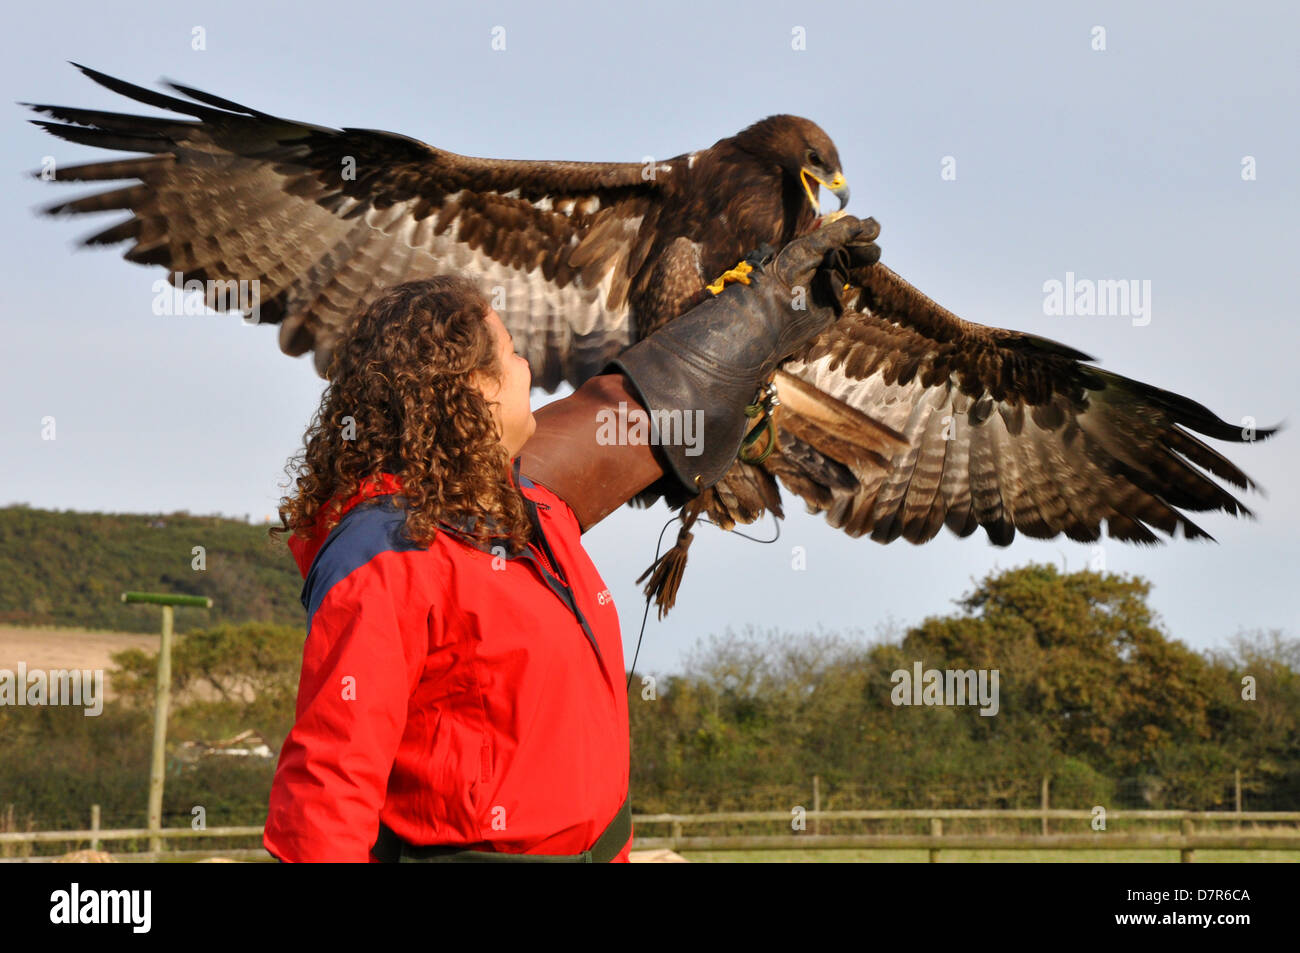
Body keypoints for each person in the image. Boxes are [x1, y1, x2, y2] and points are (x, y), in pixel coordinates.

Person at [262, 215, 881, 862]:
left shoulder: (526, 505)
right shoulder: (386, 553)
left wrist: (760, 317)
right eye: (509, 355)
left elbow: (638, 411)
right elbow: (328, 791)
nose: (527, 365)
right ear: (470, 390)